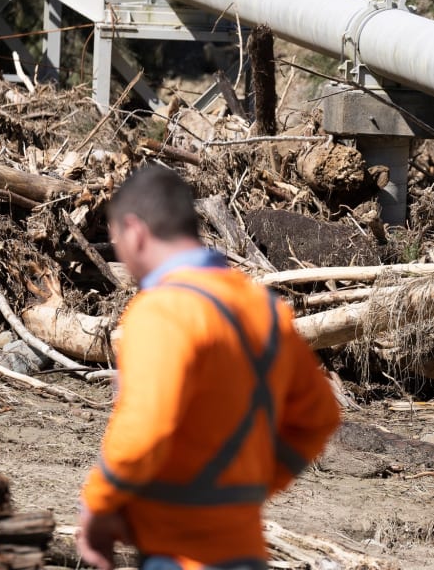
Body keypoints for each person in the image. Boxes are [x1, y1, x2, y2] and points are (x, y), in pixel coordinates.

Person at [77, 165, 341, 570]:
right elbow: (320, 416)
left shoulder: (161, 309)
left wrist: (98, 506)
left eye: (117, 242)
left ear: (134, 230)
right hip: (245, 549)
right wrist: (251, 486)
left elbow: (146, 427)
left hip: (179, 555)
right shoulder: (262, 308)